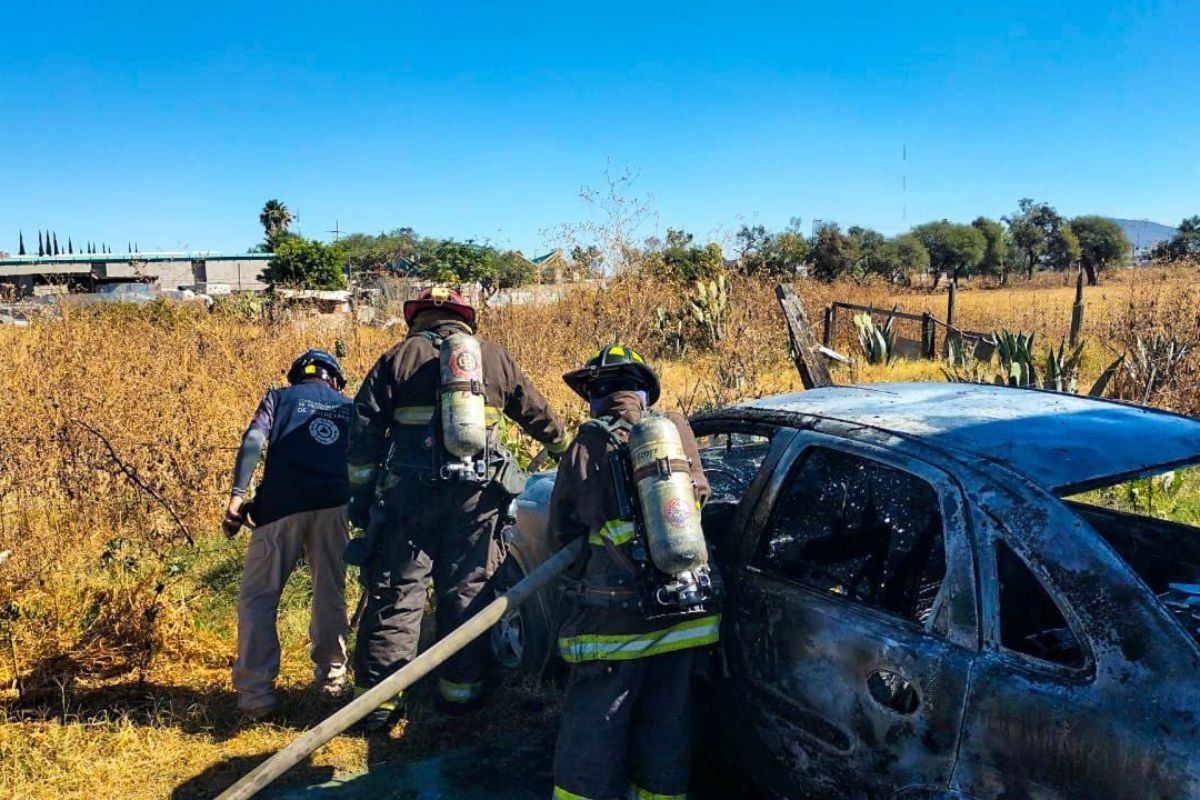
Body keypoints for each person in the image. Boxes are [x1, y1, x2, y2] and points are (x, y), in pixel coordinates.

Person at [346, 286, 567, 728]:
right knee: (469, 591)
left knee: (399, 592)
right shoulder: (494, 357)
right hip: (479, 498)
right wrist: (564, 450)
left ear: (416, 318)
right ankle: (461, 695)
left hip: (410, 498)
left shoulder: (397, 358)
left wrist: (362, 500)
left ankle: (378, 706)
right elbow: (537, 413)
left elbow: (364, 431)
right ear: (466, 319)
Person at [549, 345, 719, 800]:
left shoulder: (589, 442)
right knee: (667, 725)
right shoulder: (676, 431)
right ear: (643, 393)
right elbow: (701, 496)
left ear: (596, 395)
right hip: (687, 615)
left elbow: (562, 529)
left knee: (595, 728)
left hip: (617, 622)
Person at [223, 349, 354, 720]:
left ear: (297, 376)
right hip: (335, 505)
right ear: (335, 379)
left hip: (280, 506)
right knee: (330, 592)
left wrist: (237, 496)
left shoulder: (278, 398)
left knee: (258, 598)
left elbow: (253, 440)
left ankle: (256, 698)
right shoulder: (349, 406)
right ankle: (331, 681)